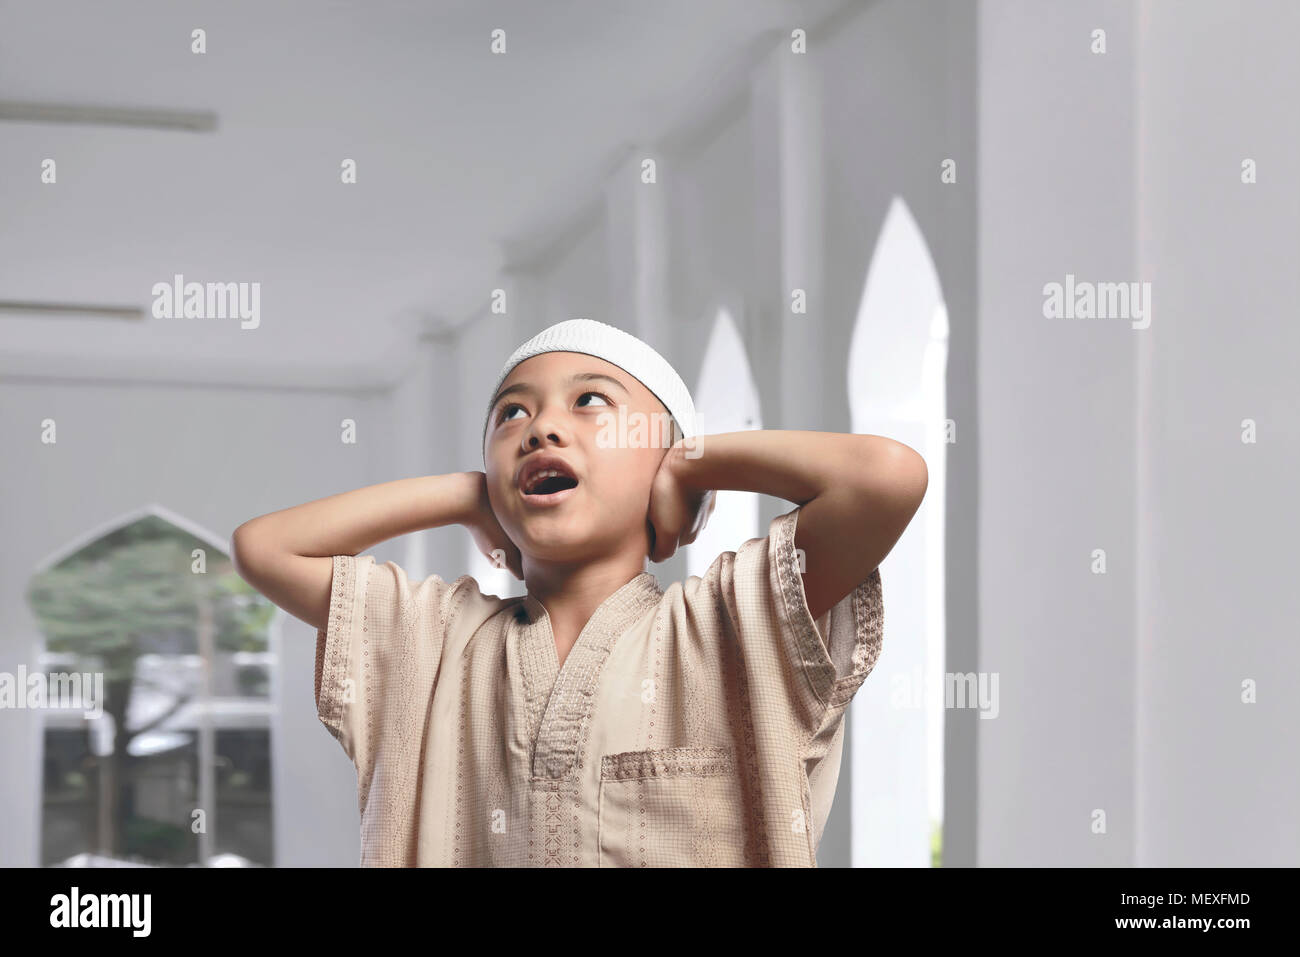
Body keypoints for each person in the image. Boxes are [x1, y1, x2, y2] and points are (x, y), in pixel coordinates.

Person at [231, 318, 927, 866]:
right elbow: (264, 547)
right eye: (510, 416)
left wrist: (691, 463)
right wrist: (468, 493)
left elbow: (885, 479)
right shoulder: (434, 641)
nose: (541, 428)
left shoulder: (738, 623)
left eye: (591, 401)